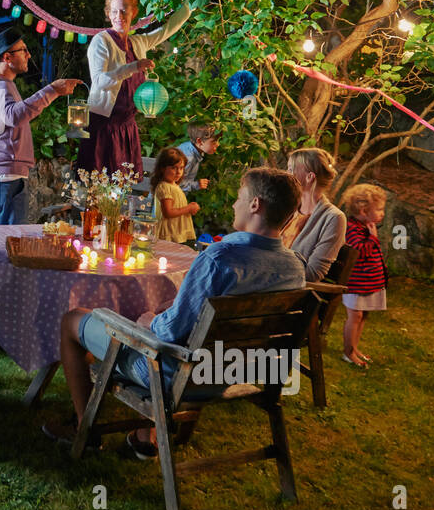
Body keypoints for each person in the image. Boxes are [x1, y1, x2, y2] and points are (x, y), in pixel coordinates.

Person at [44, 167, 305, 457]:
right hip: (237, 371)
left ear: (256, 205)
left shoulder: (219, 258)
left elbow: (168, 331)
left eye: (240, 197)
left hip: (181, 375)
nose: (234, 204)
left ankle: (85, 429)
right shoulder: (294, 267)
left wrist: (148, 322)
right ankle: (144, 436)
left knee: (74, 320)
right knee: (160, 323)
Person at [78, 0, 191, 176]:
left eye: (124, 10)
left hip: (126, 126)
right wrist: (132, 67)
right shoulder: (101, 41)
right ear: (108, 14)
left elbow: (167, 29)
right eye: (114, 11)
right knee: (99, 185)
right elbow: (99, 82)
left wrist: (190, 2)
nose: (119, 16)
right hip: (103, 127)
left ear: (133, 13)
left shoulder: (137, 43)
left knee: (123, 185)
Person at [0, 27, 82, 225]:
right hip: (6, 176)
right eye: (23, 50)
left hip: (7, 174)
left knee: (9, 238)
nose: (29, 55)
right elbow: (14, 115)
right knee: (6, 240)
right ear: (7, 57)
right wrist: (52, 91)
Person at [339, 183, 389, 369]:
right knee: (355, 316)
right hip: (356, 283)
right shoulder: (352, 228)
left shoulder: (365, 226)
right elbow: (358, 252)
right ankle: (348, 352)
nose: (382, 213)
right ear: (363, 210)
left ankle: (355, 348)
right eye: (379, 209)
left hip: (368, 283)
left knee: (363, 315)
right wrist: (373, 238)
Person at [284, 147, 348, 282]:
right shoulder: (287, 208)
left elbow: (313, 273)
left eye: (290, 169)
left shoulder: (334, 218)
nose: (286, 174)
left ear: (309, 177)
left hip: (290, 292)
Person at [149, 147, 198, 243]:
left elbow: (177, 206)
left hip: (175, 231)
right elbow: (168, 212)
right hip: (169, 233)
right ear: (162, 168)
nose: (178, 172)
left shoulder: (174, 185)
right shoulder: (164, 187)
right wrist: (188, 208)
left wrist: (189, 208)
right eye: (173, 168)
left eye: (181, 168)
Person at [177, 124, 219, 194]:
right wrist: (197, 185)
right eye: (214, 141)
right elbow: (174, 183)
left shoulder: (190, 147)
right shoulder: (188, 158)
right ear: (199, 142)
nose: (218, 144)